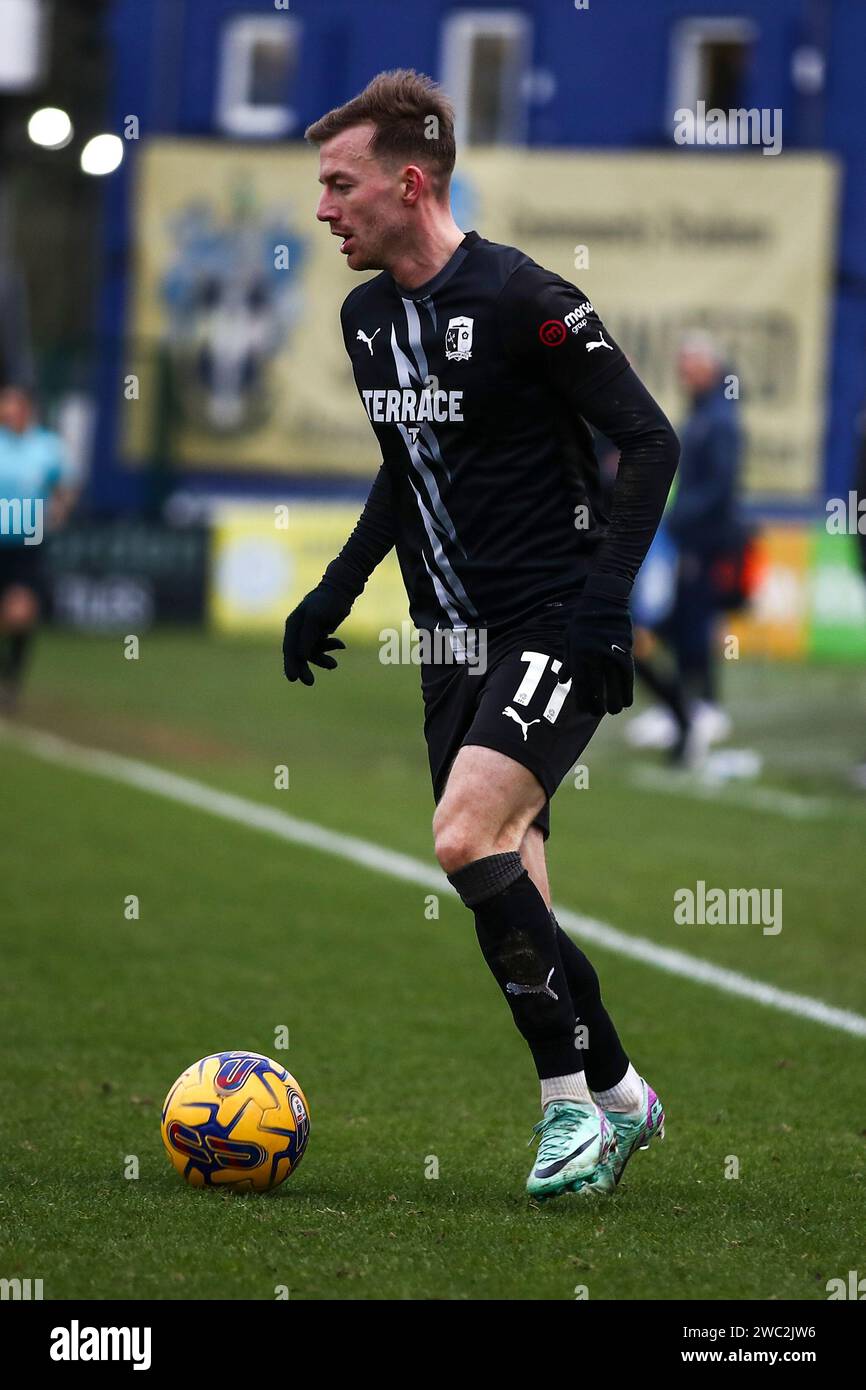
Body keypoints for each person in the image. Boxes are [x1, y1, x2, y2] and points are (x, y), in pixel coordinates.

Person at [283, 71, 679, 1200]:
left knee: (462, 838)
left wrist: (604, 606)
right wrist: (334, 589)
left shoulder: (523, 298)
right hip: (447, 646)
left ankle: (566, 1113)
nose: (323, 208)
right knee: (514, 893)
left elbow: (648, 441)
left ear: (409, 184)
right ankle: (619, 1092)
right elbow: (405, 471)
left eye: (338, 182)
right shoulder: (366, 320)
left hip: (550, 621)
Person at [630, 333, 744, 765]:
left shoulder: (720, 418)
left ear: (709, 365)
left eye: (688, 361)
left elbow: (719, 485)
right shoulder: (704, 413)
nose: (681, 370)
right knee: (679, 620)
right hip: (692, 537)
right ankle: (687, 705)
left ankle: (705, 706)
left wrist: (680, 518)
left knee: (696, 621)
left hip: (706, 540)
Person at [0, 385, 77, 711]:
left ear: (27, 409)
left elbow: (64, 486)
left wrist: (59, 512)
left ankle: (10, 681)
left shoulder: (47, 447)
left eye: (12, 405)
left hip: (27, 540)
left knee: (21, 612)